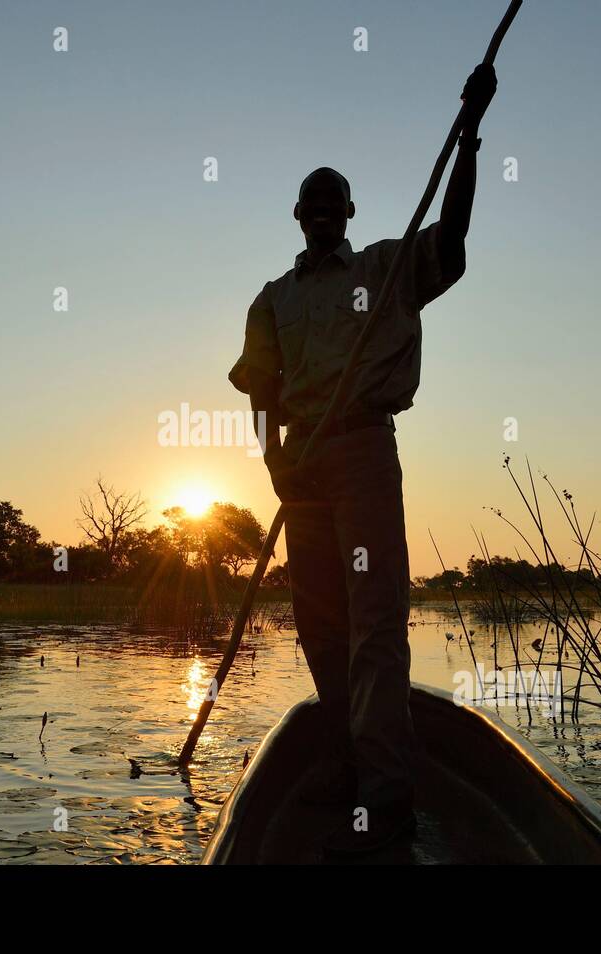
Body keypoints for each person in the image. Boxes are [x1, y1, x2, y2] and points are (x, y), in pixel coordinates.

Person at [228, 64, 497, 858]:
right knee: (319, 621)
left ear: (347, 211)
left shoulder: (383, 270)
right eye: (308, 203)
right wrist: (273, 461)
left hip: (364, 454)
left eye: (331, 201)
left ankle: (387, 796)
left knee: (375, 621)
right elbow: (262, 389)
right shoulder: (272, 297)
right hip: (303, 471)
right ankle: (343, 760)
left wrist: (470, 134)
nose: (319, 211)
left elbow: (452, 239)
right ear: (297, 214)